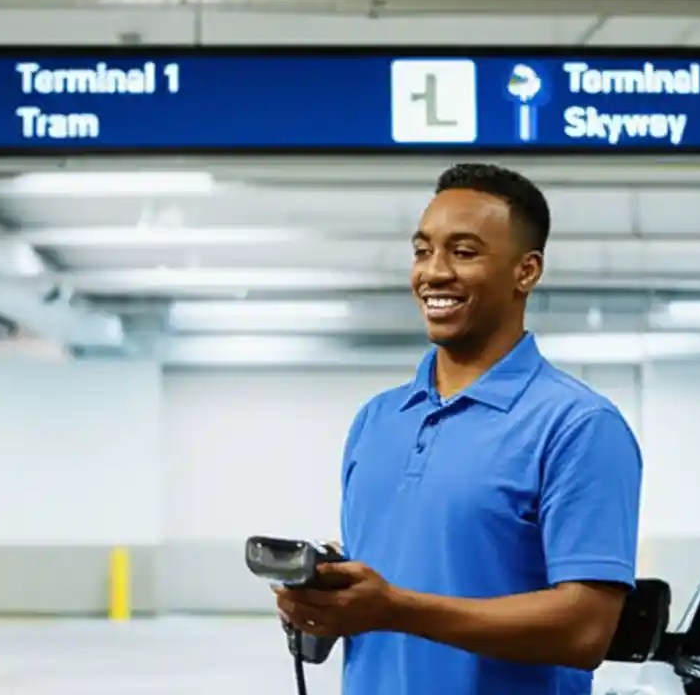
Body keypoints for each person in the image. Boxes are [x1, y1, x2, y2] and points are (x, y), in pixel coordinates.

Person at [274, 163, 643, 694]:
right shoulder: (377, 421)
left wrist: (395, 609)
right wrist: (325, 604)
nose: (434, 272)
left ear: (527, 271)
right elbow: (384, 598)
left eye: (464, 252)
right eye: (423, 251)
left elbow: (586, 628)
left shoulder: (578, 426)